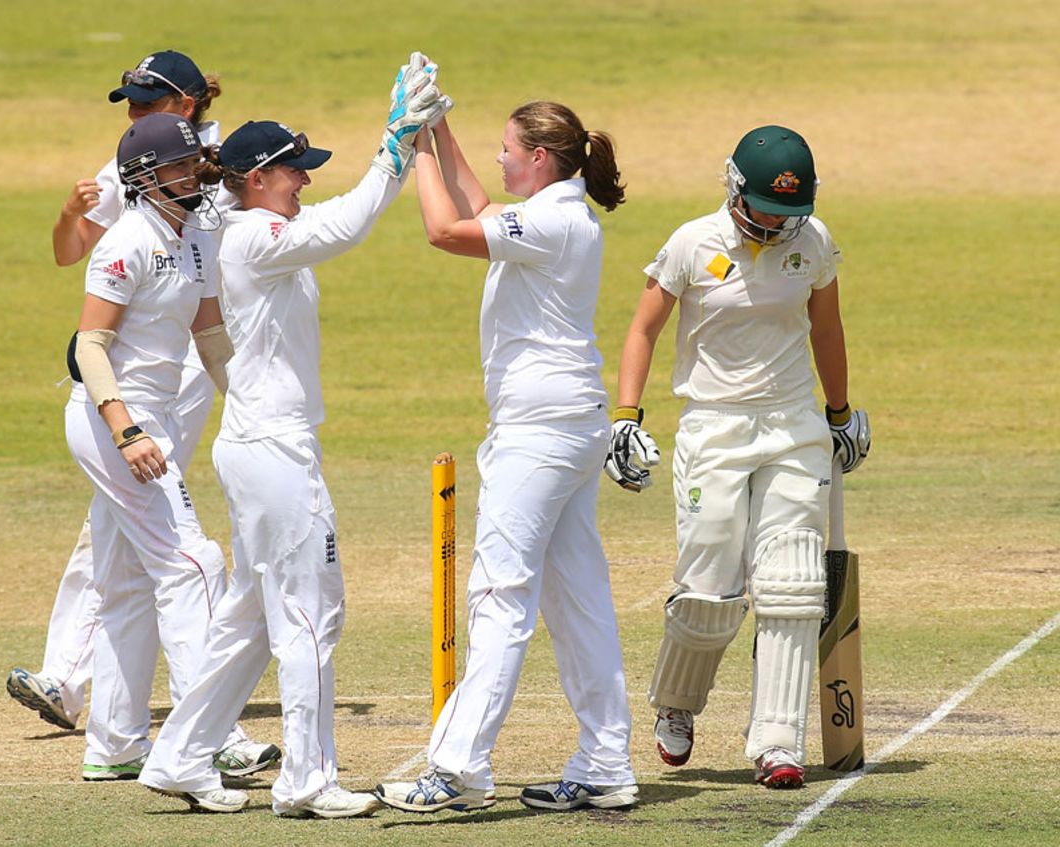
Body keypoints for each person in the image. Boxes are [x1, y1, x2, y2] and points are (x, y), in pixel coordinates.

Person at [138, 56, 451, 816]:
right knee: (314, 609)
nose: (304, 179)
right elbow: (349, 221)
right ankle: (307, 779)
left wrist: (397, 144)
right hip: (273, 450)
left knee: (250, 615)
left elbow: (332, 216)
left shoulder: (257, 230)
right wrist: (397, 142)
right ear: (255, 179)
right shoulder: (252, 238)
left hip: (264, 444)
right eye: (292, 171)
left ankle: (179, 754)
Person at [7, 51, 272, 777]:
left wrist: (258, 403)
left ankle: (116, 742)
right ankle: (208, 733)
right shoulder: (128, 239)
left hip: (154, 405)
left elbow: (212, 337)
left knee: (127, 578)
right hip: (114, 417)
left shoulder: (188, 234)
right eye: (186, 174)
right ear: (151, 176)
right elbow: (89, 347)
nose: (200, 182)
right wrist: (126, 430)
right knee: (193, 562)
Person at [375, 101, 638, 814]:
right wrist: (437, 129)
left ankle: (457, 768)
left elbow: (444, 228)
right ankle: (607, 761)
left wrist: (412, 148)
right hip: (567, 426)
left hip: (539, 434)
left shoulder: (553, 220)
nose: (498, 158)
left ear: (540, 158)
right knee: (577, 597)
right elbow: (483, 206)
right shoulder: (556, 212)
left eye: (506, 148)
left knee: (500, 596)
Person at [603, 125, 871, 789]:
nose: (778, 226)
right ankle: (677, 701)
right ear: (735, 189)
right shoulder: (692, 243)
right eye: (767, 212)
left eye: (790, 214)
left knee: (792, 588)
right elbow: (643, 328)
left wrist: (840, 415)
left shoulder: (813, 242)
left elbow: (827, 327)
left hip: (793, 426)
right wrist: (625, 418)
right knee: (710, 589)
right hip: (715, 427)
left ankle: (777, 740)